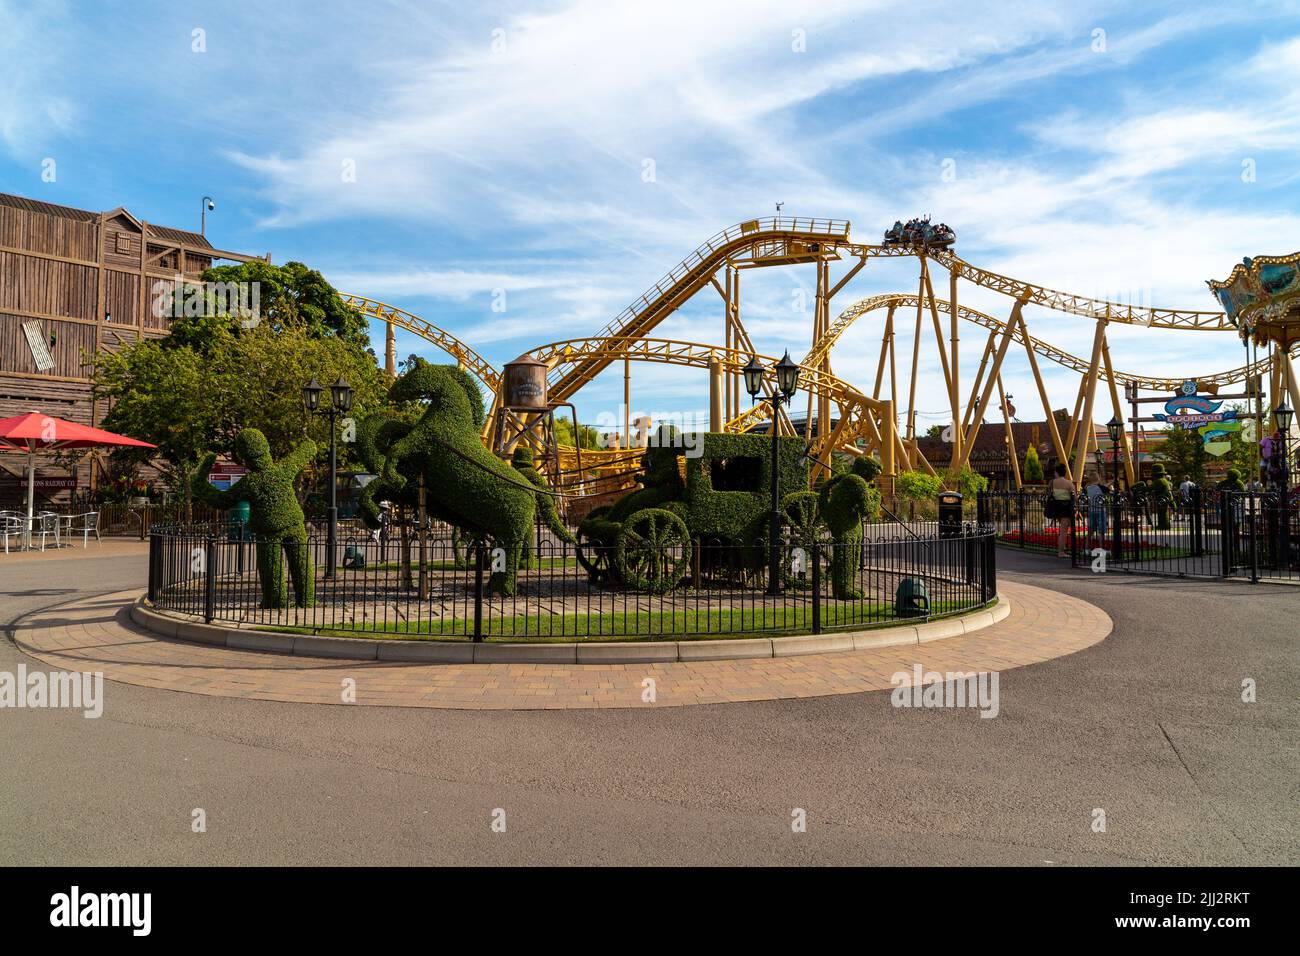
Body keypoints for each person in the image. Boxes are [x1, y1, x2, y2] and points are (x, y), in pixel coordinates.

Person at [1047, 463, 1075, 557]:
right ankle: (1061, 551)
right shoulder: (1069, 483)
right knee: (1063, 531)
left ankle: (1062, 547)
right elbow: (1074, 496)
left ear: (1056, 473)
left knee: (1061, 530)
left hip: (1056, 507)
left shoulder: (1052, 482)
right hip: (1065, 507)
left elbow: (1049, 493)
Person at [1085, 472, 1109, 545]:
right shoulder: (1101, 487)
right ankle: (1101, 548)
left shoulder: (1087, 488)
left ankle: (1086, 547)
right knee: (1101, 531)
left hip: (1091, 510)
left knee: (1090, 530)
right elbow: (1107, 490)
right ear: (1098, 478)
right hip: (1100, 510)